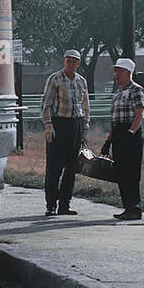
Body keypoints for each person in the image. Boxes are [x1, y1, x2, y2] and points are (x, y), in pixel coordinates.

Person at [40, 49, 89, 215]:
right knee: (54, 167)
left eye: (74, 61)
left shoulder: (81, 81)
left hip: (76, 124)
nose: (71, 64)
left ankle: (64, 205)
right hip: (59, 124)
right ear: (64, 62)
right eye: (68, 61)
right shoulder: (55, 79)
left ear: (78, 64)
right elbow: (46, 105)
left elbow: (85, 106)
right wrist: (48, 125)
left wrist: (85, 128)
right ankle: (51, 204)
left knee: (71, 168)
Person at [106, 57, 144, 221]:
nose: (116, 75)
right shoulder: (117, 93)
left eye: (120, 72)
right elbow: (114, 121)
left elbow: (139, 114)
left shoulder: (136, 90)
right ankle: (127, 207)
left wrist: (131, 132)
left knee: (131, 172)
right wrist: (108, 141)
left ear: (128, 73)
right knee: (121, 172)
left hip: (131, 134)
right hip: (118, 133)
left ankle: (134, 207)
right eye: (116, 71)